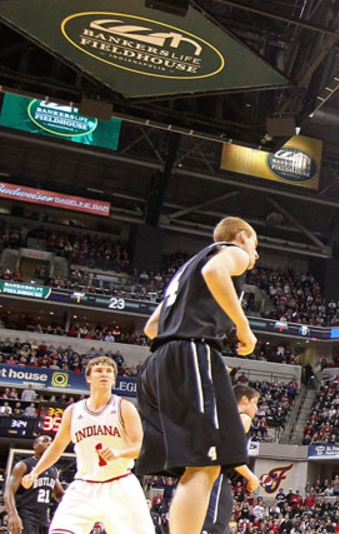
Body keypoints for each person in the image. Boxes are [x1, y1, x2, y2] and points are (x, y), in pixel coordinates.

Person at [137, 217, 259, 534]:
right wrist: (243, 327)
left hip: (157, 362)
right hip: (190, 350)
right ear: (242, 236)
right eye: (255, 245)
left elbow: (152, 327)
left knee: (200, 465)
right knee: (206, 463)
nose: (255, 255)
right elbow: (215, 272)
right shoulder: (233, 251)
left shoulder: (186, 268)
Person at [21, 357, 155, 534]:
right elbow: (57, 446)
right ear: (88, 378)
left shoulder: (124, 407)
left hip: (120, 484)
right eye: (99, 371)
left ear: (114, 379)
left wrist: (119, 453)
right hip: (83, 486)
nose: (104, 374)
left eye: (109, 372)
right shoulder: (73, 411)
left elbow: (139, 447)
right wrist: (36, 471)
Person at [202, 384, 263, 534]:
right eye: (255, 403)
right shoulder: (243, 418)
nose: (257, 408)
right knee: (213, 526)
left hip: (205, 474)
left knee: (221, 526)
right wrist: (251, 477)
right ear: (244, 400)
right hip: (214, 473)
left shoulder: (222, 416)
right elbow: (228, 452)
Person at [4, 435, 64, 534]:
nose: (49, 444)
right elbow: (8, 492)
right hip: (25, 517)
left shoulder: (53, 469)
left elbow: (59, 495)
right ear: (35, 445)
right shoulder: (23, 466)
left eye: (50, 442)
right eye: (45, 441)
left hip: (43, 520)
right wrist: (13, 514)